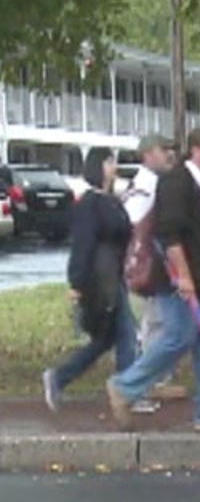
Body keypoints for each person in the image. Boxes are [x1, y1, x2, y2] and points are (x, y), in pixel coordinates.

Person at [106, 128, 200, 432]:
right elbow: (169, 235)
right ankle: (125, 387)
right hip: (179, 282)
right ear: (196, 150)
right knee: (177, 337)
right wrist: (184, 277)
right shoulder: (176, 184)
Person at [42, 148, 136, 412]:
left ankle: (60, 377)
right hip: (100, 278)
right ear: (98, 166)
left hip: (113, 275)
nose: (114, 166)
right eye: (109, 161)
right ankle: (128, 391)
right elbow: (82, 244)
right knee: (127, 333)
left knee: (108, 339)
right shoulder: (90, 204)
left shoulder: (111, 201)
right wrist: (77, 282)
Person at [122, 135, 186, 413]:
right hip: (146, 269)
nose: (169, 155)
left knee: (158, 325)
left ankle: (155, 379)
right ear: (148, 154)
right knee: (149, 328)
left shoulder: (154, 185)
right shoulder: (144, 189)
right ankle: (137, 386)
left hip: (155, 269)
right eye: (164, 150)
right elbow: (134, 230)